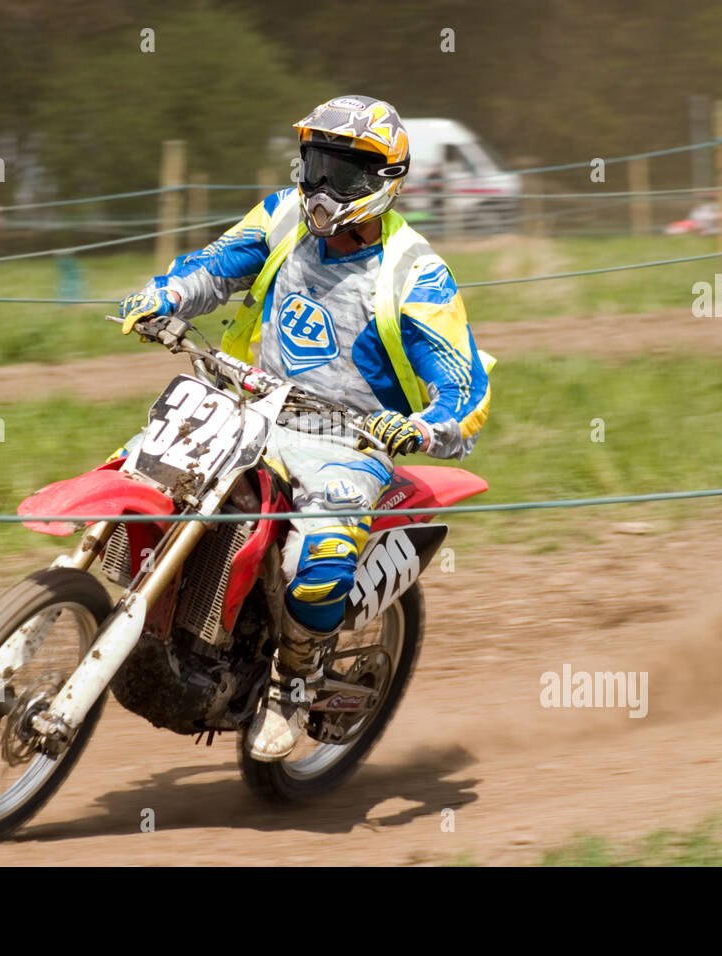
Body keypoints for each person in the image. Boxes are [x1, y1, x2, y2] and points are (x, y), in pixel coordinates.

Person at [115, 94, 492, 760]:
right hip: (242, 404)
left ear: (380, 184)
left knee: (320, 561)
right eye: (316, 165)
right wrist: (164, 296)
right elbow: (215, 267)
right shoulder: (282, 215)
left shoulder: (417, 275)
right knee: (135, 468)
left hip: (347, 441)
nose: (321, 188)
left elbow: (461, 390)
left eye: (341, 176)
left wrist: (423, 429)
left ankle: (293, 683)